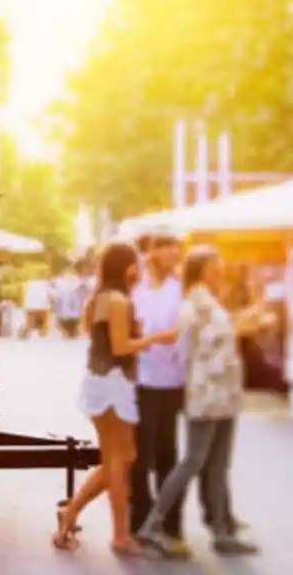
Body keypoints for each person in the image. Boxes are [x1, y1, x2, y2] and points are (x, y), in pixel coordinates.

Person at [52, 240, 176, 556]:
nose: (139, 268)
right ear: (125, 267)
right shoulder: (118, 300)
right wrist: (156, 338)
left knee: (119, 460)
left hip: (101, 382)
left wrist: (138, 334)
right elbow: (121, 348)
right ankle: (119, 536)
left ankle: (72, 512)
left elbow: (106, 340)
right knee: (119, 462)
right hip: (113, 385)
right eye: (135, 263)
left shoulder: (100, 299)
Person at [135, 246, 260, 557]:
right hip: (209, 393)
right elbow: (200, 341)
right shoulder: (196, 302)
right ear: (203, 268)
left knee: (216, 465)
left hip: (222, 393)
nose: (221, 269)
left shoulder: (204, 300)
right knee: (195, 460)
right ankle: (154, 523)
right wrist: (253, 311)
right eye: (215, 265)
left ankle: (220, 531)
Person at [129, 232, 190, 554]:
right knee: (139, 456)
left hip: (171, 381)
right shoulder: (137, 290)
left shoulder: (180, 290)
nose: (171, 253)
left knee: (168, 454)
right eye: (164, 247)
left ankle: (171, 523)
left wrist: (149, 339)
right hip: (140, 380)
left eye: (174, 248)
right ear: (151, 253)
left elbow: (179, 333)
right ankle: (139, 521)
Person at [53, 266, 86, 338]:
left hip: (65, 315)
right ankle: (72, 330)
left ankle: (69, 330)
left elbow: (57, 300)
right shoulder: (77, 281)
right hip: (73, 315)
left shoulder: (59, 282)